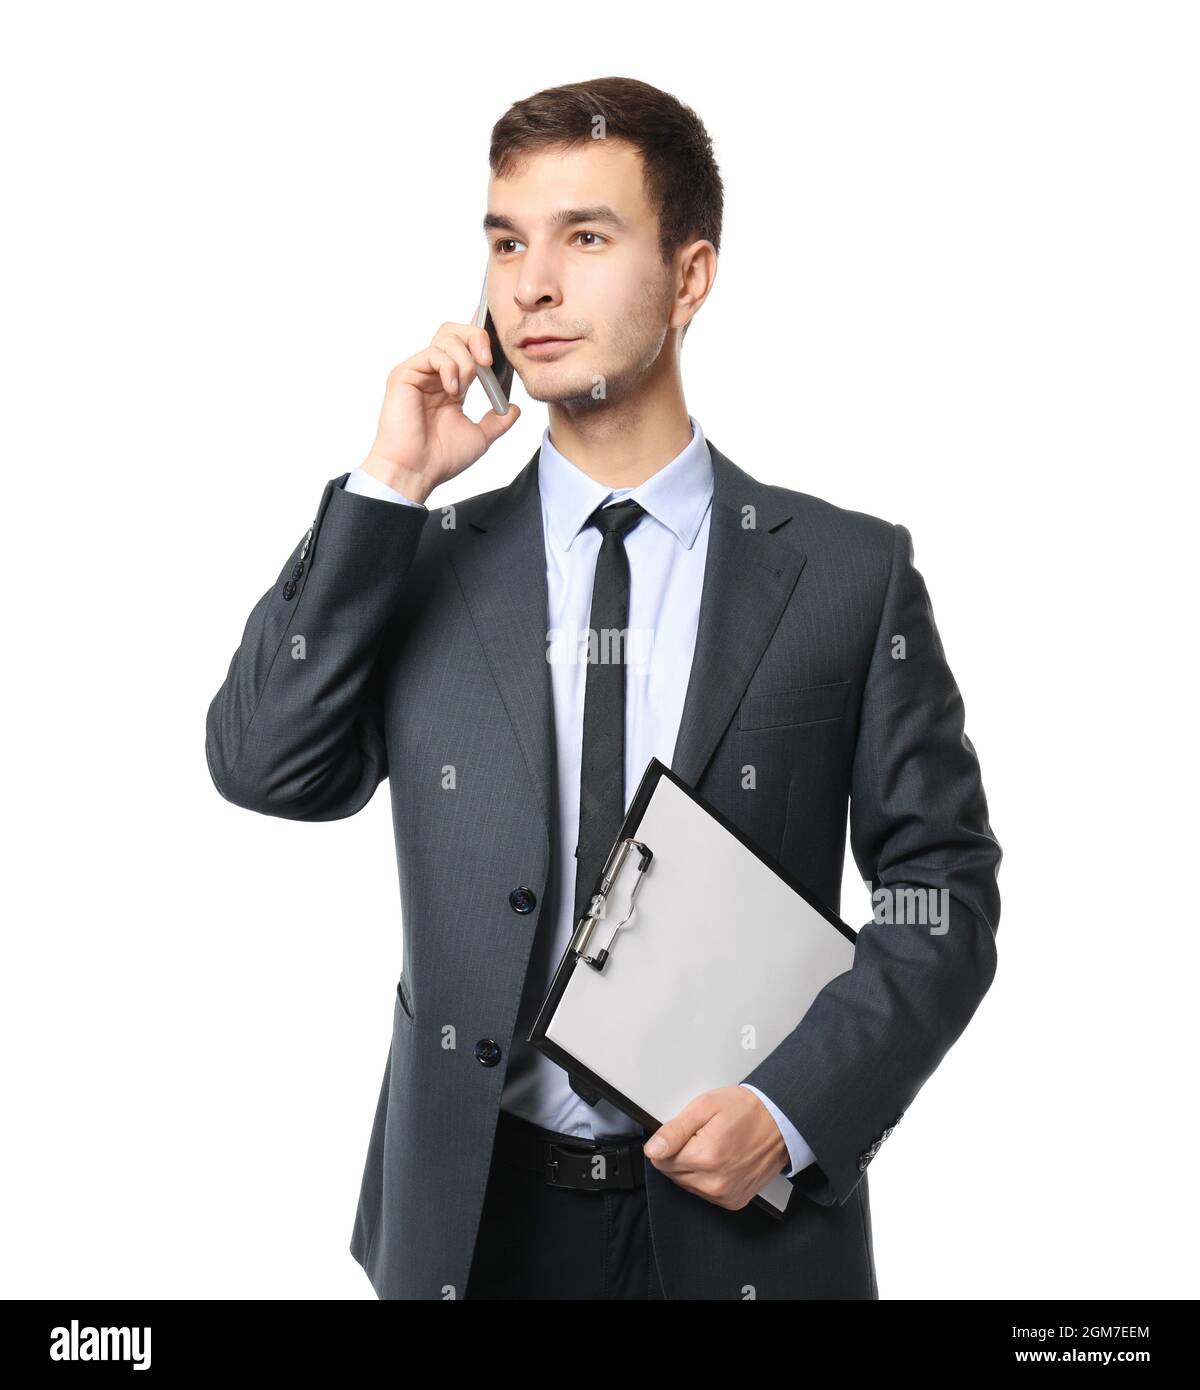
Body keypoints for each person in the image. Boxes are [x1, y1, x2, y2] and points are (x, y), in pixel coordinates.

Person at [205, 75, 1002, 1300]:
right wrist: (387, 486)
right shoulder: (422, 565)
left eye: (586, 237)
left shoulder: (850, 574)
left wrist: (792, 1107)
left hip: (743, 1231)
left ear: (689, 278)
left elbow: (939, 893)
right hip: (473, 1226)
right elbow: (266, 763)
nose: (531, 283)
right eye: (507, 241)